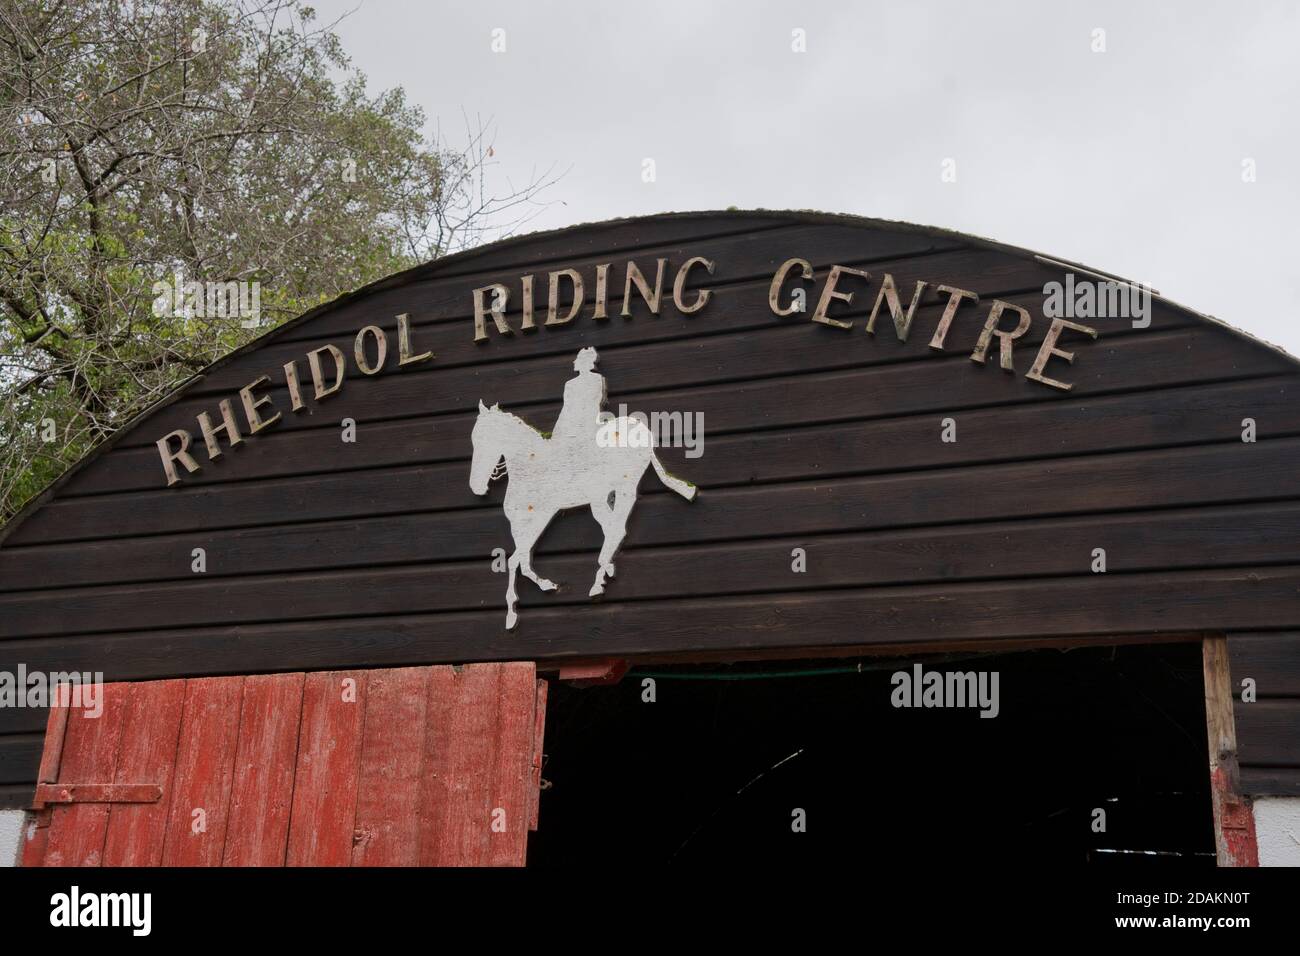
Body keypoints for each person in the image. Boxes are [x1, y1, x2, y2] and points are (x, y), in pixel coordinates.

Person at [550, 347, 607, 461]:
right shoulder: (570, 384)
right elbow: (566, 408)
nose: (574, 362)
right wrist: (559, 429)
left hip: (588, 422)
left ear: (585, 362)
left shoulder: (597, 379)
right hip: (572, 422)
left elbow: (595, 401)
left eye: (577, 359)